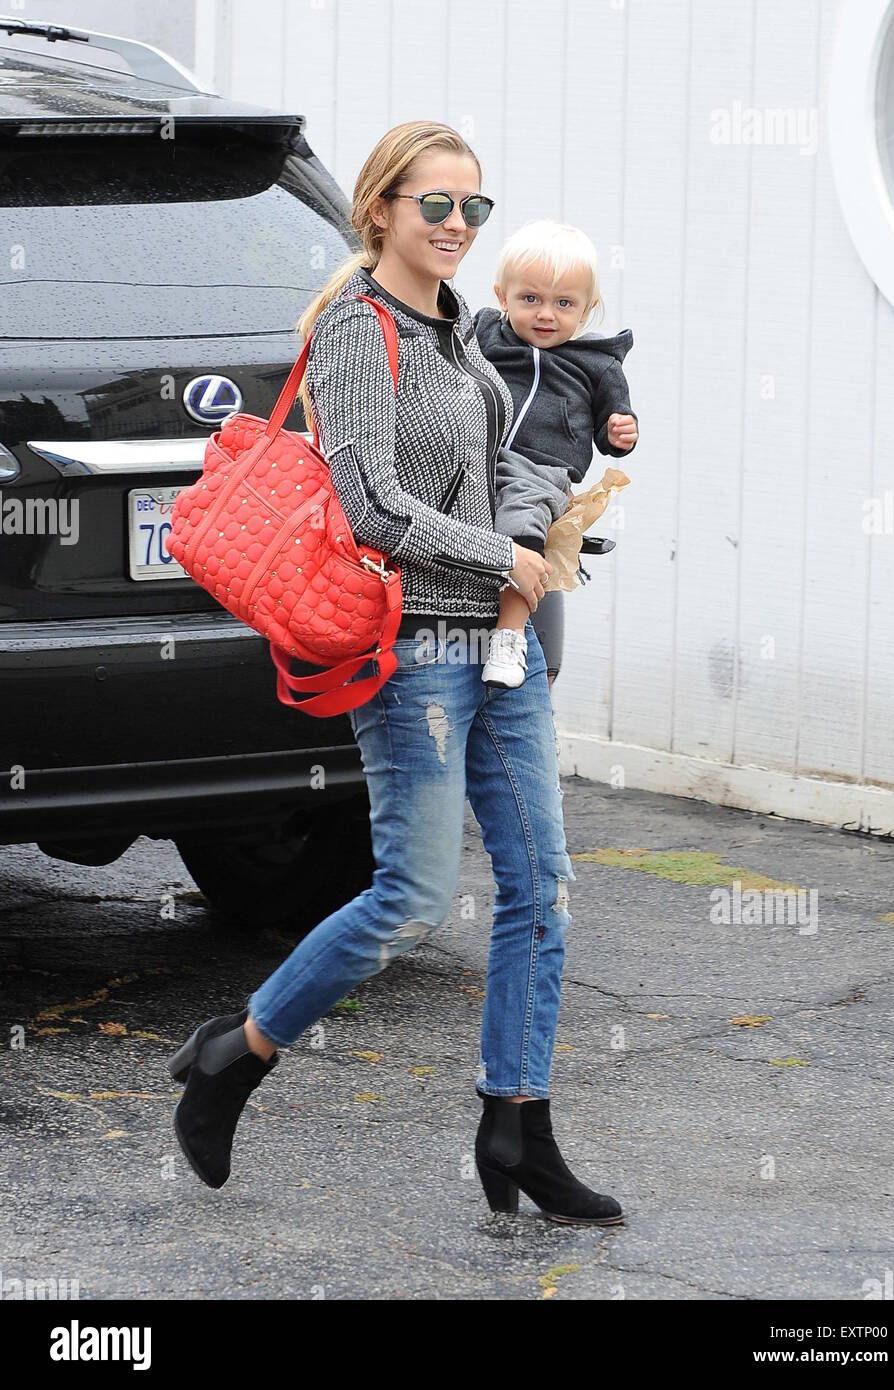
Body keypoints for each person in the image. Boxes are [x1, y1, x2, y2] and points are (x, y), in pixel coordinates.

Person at [169, 119, 623, 1226]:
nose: (459, 225)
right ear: (380, 209)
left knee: (539, 888)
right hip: (411, 649)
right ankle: (237, 1050)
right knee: (412, 896)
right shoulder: (353, 331)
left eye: (474, 207)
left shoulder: (463, 332)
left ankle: (516, 1124)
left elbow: (483, 474)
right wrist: (500, 554)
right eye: (437, 205)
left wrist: (555, 517)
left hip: (496, 652)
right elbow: (372, 504)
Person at [473, 219, 638, 688]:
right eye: (530, 299)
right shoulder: (486, 334)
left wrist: (621, 432)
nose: (546, 314)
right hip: (478, 455)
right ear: (502, 296)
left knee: (523, 524)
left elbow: (613, 431)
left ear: (587, 310)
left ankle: (509, 637)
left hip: (542, 471)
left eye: (564, 303)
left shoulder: (598, 366)